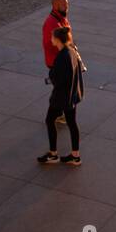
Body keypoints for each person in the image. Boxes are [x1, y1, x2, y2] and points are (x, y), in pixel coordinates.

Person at [37, 26, 84, 167]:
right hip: (72, 96)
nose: (51, 39)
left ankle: (53, 154)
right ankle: (75, 156)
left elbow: (57, 78)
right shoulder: (71, 51)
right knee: (72, 123)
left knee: (49, 120)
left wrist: (51, 76)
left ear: (57, 40)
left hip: (62, 97)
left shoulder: (62, 56)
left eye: (52, 37)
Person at [42, 0, 70, 74]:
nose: (67, 7)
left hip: (62, 60)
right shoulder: (52, 23)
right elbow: (49, 45)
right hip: (57, 62)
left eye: (67, 4)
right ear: (55, 6)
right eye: (64, 5)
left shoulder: (62, 18)